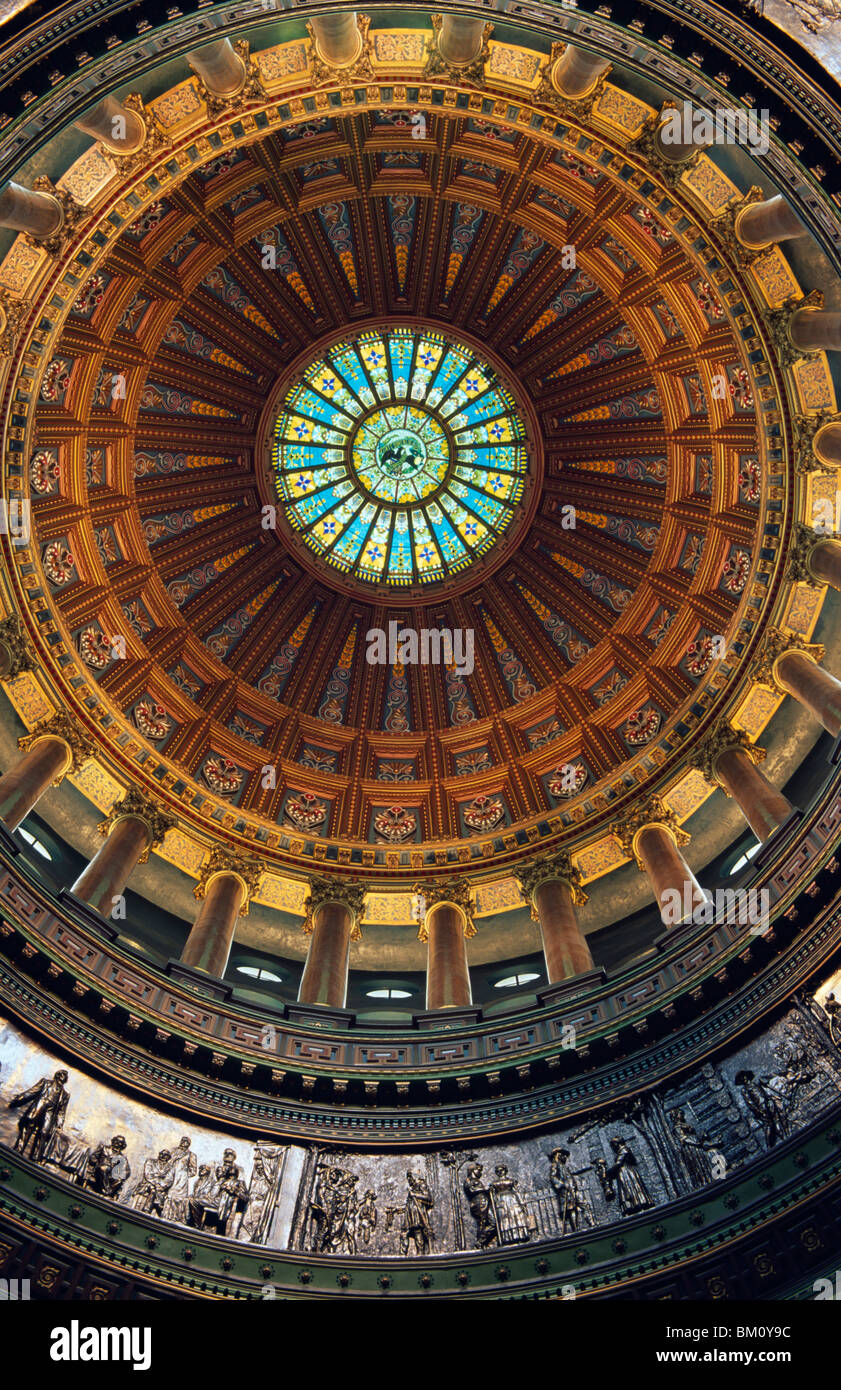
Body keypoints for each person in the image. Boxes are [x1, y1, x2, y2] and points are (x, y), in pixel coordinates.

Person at [7, 1070, 70, 1161]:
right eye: (63, 1074)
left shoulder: (65, 1095)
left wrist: (59, 1125)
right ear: (58, 1076)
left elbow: (61, 1112)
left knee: (44, 1133)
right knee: (28, 1127)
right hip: (38, 1108)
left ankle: (36, 1157)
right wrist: (18, 1099)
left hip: (50, 1113)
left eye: (65, 1076)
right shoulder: (45, 1083)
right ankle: (18, 1150)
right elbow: (31, 1092)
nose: (64, 1077)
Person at [599, 1138, 653, 1215]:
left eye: (613, 1145)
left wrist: (608, 1172)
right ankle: (631, 1206)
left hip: (627, 1172)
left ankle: (638, 1204)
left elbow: (618, 1163)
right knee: (626, 1189)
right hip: (622, 1173)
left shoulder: (624, 1150)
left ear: (617, 1143)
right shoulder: (621, 1152)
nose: (613, 1147)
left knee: (631, 1188)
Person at [548, 1148, 593, 1232]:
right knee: (571, 1209)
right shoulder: (555, 1165)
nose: (565, 1157)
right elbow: (553, 1177)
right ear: (557, 1155)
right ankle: (576, 1229)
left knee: (584, 1204)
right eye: (562, 1154)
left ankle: (592, 1224)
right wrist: (562, 1184)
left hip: (573, 1189)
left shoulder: (564, 1166)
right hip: (566, 1191)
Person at [489, 1164, 533, 1244]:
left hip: (512, 1200)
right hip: (501, 1201)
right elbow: (493, 1195)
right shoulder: (494, 1183)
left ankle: (521, 1235)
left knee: (516, 1216)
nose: (500, 1172)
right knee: (505, 1218)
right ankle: (507, 1238)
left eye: (501, 1170)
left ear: (505, 1171)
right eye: (498, 1171)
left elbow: (516, 1191)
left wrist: (521, 1202)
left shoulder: (511, 1181)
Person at [669, 1110, 715, 1187]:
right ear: (676, 1116)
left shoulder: (684, 1124)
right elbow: (683, 1139)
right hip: (690, 1148)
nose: (682, 1114)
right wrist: (695, 1143)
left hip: (697, 1146)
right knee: (698, 1165)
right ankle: (704, 1182)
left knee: (704, 1161)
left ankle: (711, 1178)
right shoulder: (677, 1127)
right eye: (680, 1113)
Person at [162, 1136, 196, 1224]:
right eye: (183, 1141)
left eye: (186, 1142)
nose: (184, 1143)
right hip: (170, 1175)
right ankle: (167, 1215)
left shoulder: (191, 1155)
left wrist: (184, 1174)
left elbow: (193, 1170)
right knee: (169, 1195)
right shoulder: (173, 1151)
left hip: (181, 1179)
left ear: (189, 1144)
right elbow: (167, 1162)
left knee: (179, 1198)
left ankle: (178, 1217)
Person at [464, 1162, 496, 1248]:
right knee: (482, 1222)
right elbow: (471, 1189)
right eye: (479, 1170)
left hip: (484, 1201)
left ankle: (481, 1241)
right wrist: (485, 1189)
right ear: (473, 1170)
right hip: (478, 1202)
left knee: (493, 1222)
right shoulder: (469, 1180)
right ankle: (480, 1243)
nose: (481, 1173)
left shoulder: (477, 1181)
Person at [131, 1150, 173, 1216]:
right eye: (162, 1154)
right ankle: (149, 1209)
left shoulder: (171, 1168)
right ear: (159, 1154)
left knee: (156, 1190)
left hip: (160, 1188)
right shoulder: (150, 1161)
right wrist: (157, 1182)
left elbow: (169, 1180)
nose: (163, 1156)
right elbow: (148, 1174)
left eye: (166, 1155)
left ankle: (151, 1208)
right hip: (147, 1184)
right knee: (153, 1190)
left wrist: (160, 1185)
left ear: (169, 1157)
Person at [401, 1171, 434, 1256]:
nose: (409, 1180)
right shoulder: (412, 1189)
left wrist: (415, 1195)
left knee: (420, 1232)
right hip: (411, 1214)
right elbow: (408, 1203)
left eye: (410, 1177)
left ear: (414, 1177)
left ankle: (422, 1252)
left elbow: (428, 1198)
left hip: (419, 1213)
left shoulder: (421, 1185)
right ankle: (419, 1253)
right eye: (408, 1178)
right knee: (416, 1232)